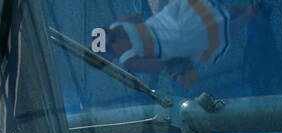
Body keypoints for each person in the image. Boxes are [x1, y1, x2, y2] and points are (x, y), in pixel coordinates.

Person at [106, 1, 260, 88]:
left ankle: (248, 15)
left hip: (172, 43)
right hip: (167, 19)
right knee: (210, 12)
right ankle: (247, 7)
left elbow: (159, 65)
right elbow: (138, 16)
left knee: (216, 33)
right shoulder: (116, 25)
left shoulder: (128, 61)